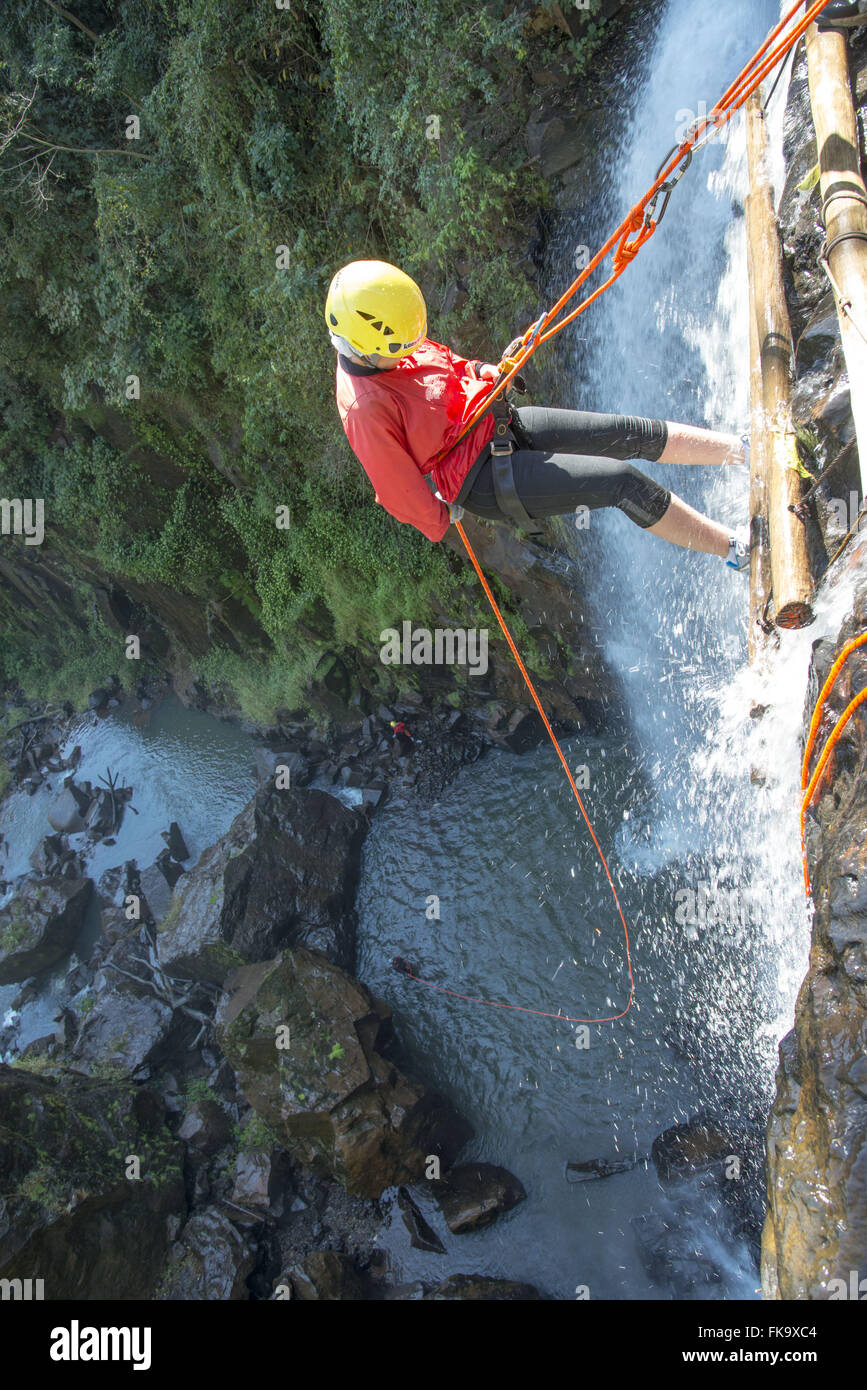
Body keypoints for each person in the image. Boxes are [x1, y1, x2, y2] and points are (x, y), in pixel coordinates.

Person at [327, 260, 750, 570]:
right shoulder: (364, 409)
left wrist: (485, 372)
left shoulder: (391, 326)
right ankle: (736, 549)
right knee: (620, 482)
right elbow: (396, 487)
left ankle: (743, 452)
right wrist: (439, 517)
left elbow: (449, 364)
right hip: (481, 477)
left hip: (499, 420)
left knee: (628, 432)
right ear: (366, 347)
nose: (408, 352)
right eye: (398, 351)